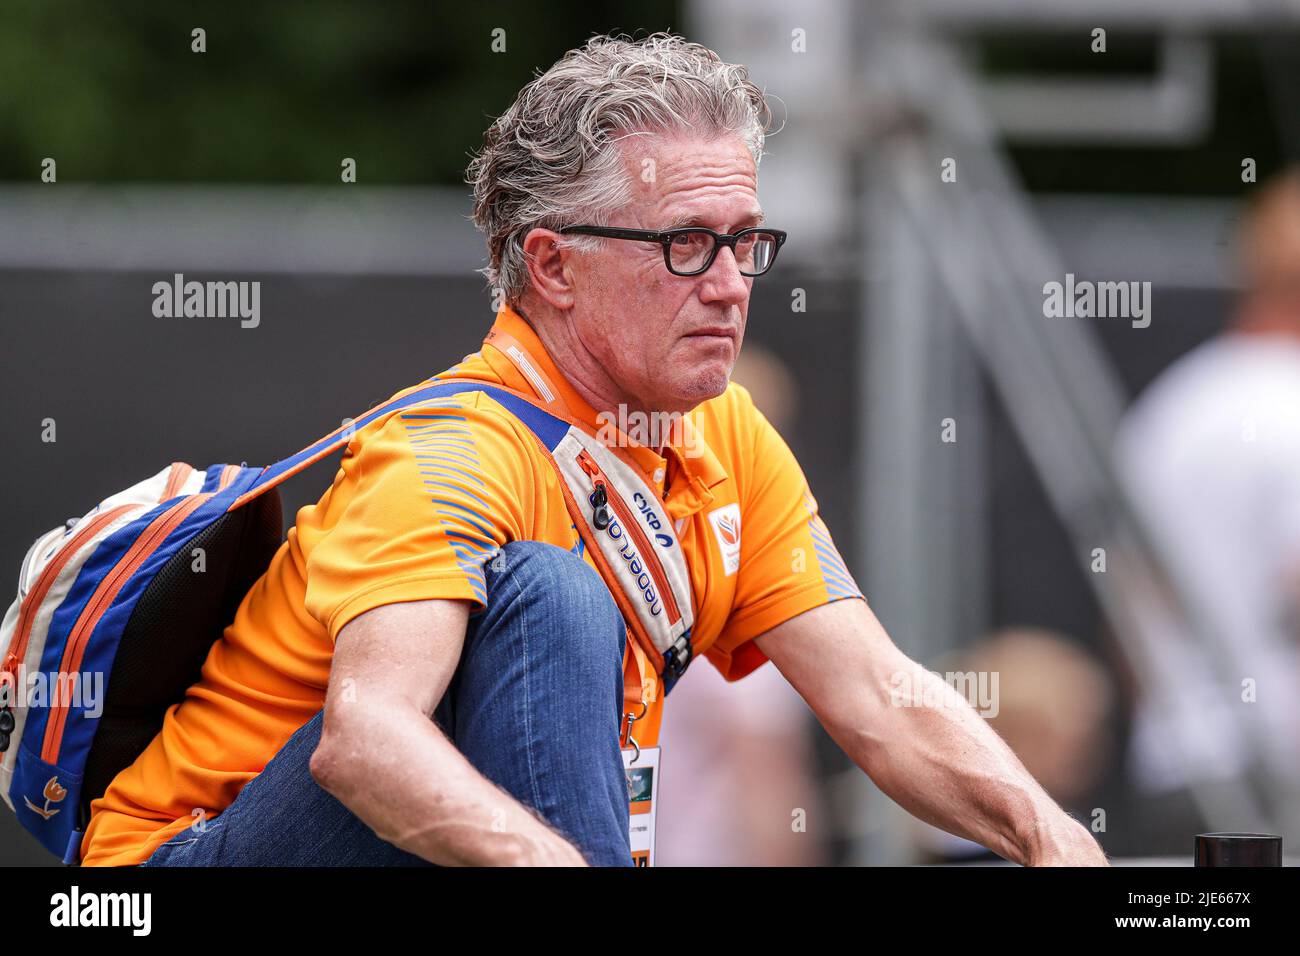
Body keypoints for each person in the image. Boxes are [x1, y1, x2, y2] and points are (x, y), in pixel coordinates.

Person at [80, 33, 1107, 867]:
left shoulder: (728, 435)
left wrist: (1055, 842)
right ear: (553, 266)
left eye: (746, 239)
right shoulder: (452, 451)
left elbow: (882, 700)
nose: (730, 282)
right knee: (552, 590)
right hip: (170, 868)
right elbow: (366, 741)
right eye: (683, 243)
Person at [1113, 168, 1300, 849]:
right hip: (1272, 778)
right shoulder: (1289, 404)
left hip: (1176, 766)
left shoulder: (1174, 404)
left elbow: (1128, 615)